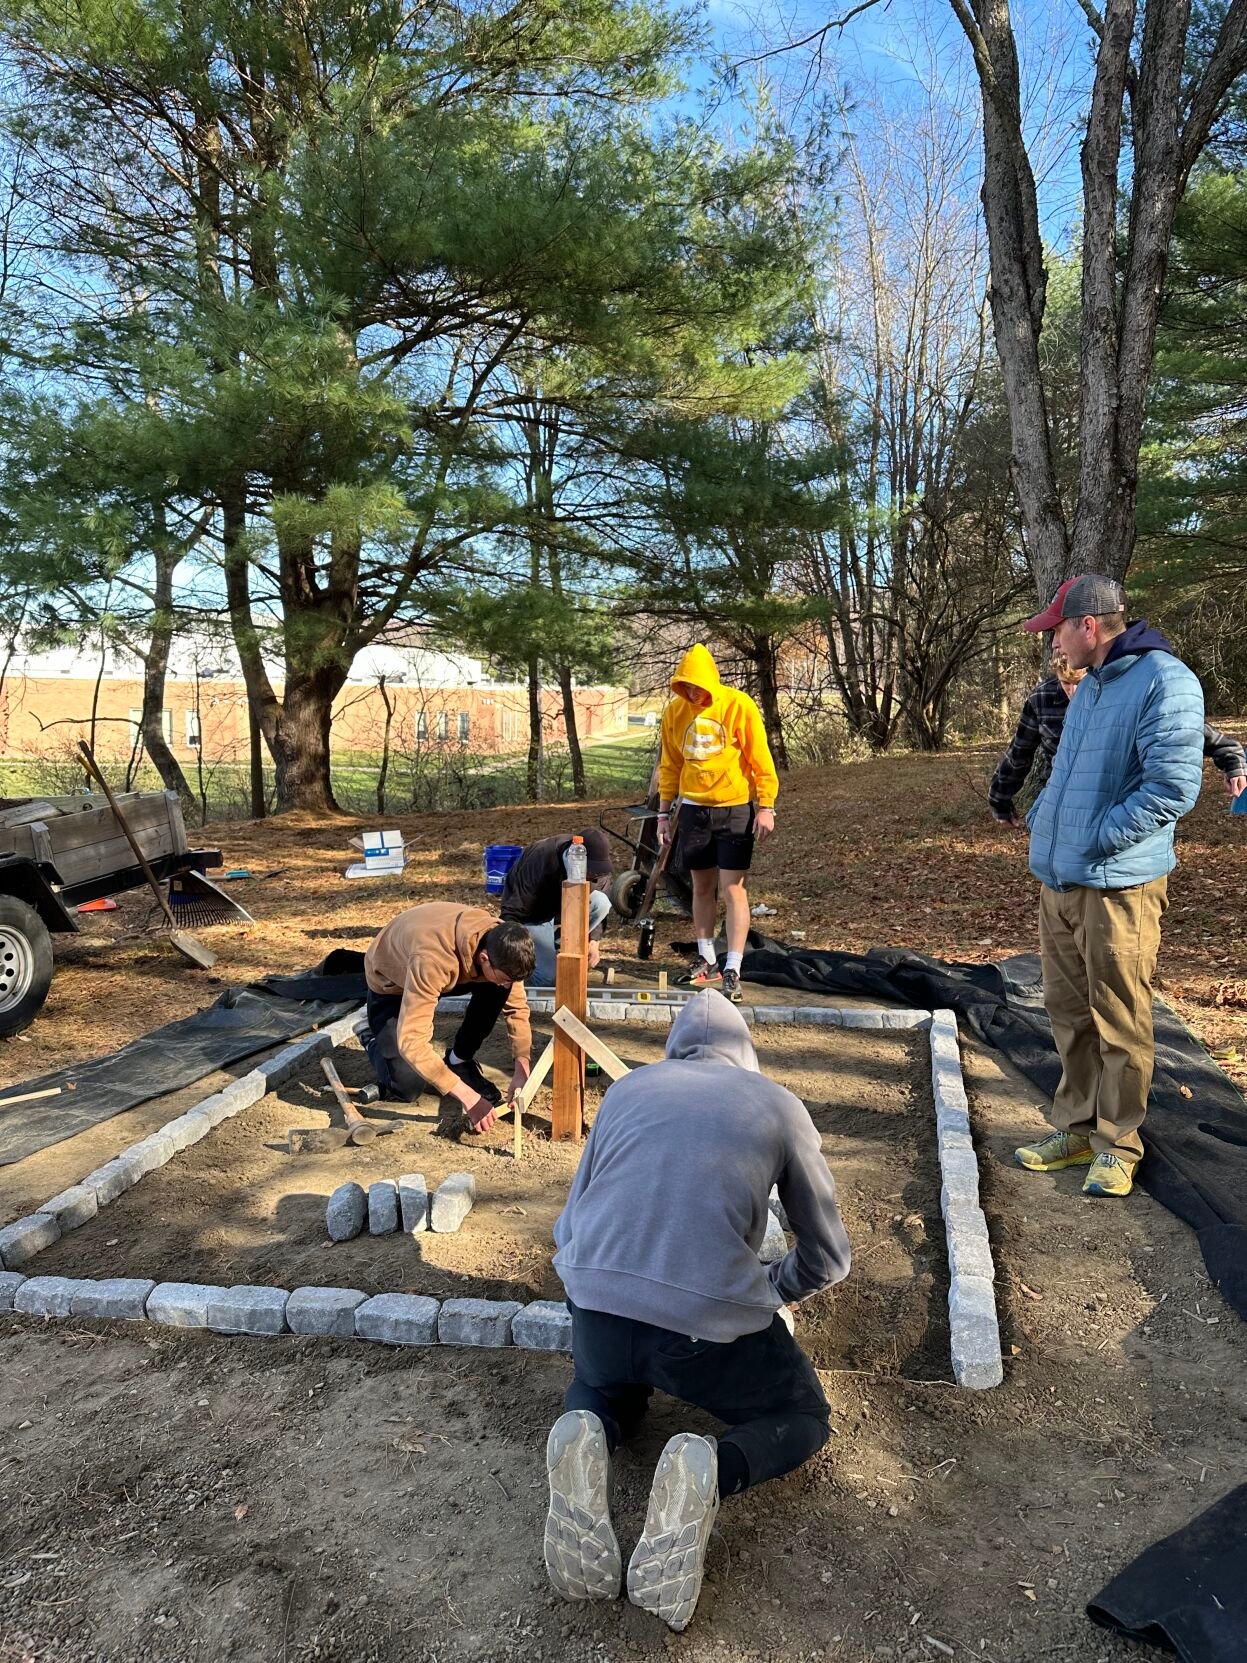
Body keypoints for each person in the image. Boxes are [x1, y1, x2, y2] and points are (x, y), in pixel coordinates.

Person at [542, 990, 850, 1631]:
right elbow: (828, 1258)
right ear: (746, 1055)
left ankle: (588, 1424)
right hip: (702, 1332)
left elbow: (569, 1224)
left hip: (597, 1306)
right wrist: (769, 1289)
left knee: (605, 1385)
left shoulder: (627, 1090)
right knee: (802, 1415)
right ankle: (712, 1470)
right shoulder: (777, 1105)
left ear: (674, 1050)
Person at [1014, 574, 1205, 1198]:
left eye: (1056, 631)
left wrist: (1095, 838)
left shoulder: (1165, 682)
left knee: (1119, 1018)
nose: (1052, 643)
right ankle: (1075, 1128)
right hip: (1061, 880)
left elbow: (1172, 788)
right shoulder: (1092, 686)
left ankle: (1118, 1144)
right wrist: (1045, 821)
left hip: (1118, 886)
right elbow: (1065, 771)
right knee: (1068, 1014)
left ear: (1088, 626)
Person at [655, 645, 779, 1004]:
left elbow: (760, 759)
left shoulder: (738, 705)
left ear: (710, 681)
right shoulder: (675, 713)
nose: (692, 692)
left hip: (734, 809)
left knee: (733, 889)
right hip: (694, 811)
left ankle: (733, 966)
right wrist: (663, 814)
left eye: (697, 686)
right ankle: (707, 960)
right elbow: (670, 766)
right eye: (686, 686)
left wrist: (766, 806)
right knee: (701, 887)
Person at [990, 657, 1245, 828]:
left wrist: (1232, 762)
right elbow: (1019, 752)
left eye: (1080, 683)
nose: (1074, 692)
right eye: (1066, 683)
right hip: (1063, 807)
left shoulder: (1126, 694)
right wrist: (1000, 798)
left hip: (1119, 805)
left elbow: (1190, 732)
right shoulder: (1042, 698)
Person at [360, 902, 536, 1132]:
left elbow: (517, 1008)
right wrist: (468, 1097)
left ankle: (458, 1060)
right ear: (484, 958)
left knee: (498, 989)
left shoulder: (503, 943)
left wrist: (522, 1067)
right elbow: (412, 1042)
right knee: (407, 1087)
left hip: (442, 966)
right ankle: (370, 1036)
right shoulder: (432, 959)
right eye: (505, 978)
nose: (508, 984)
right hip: (392, 982)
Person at [500, 828, 613, 986]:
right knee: (547, 978)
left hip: (565, 908)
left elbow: (602, 900)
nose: (592, 876)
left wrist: (593, 941)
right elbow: (513, 910)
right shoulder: (541, 857)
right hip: (533, 915)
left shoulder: (599, 871)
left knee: (601, 902)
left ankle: (557, 944)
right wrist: (513, 949)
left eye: (595, 873)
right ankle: (534, 958)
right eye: (589, 871)